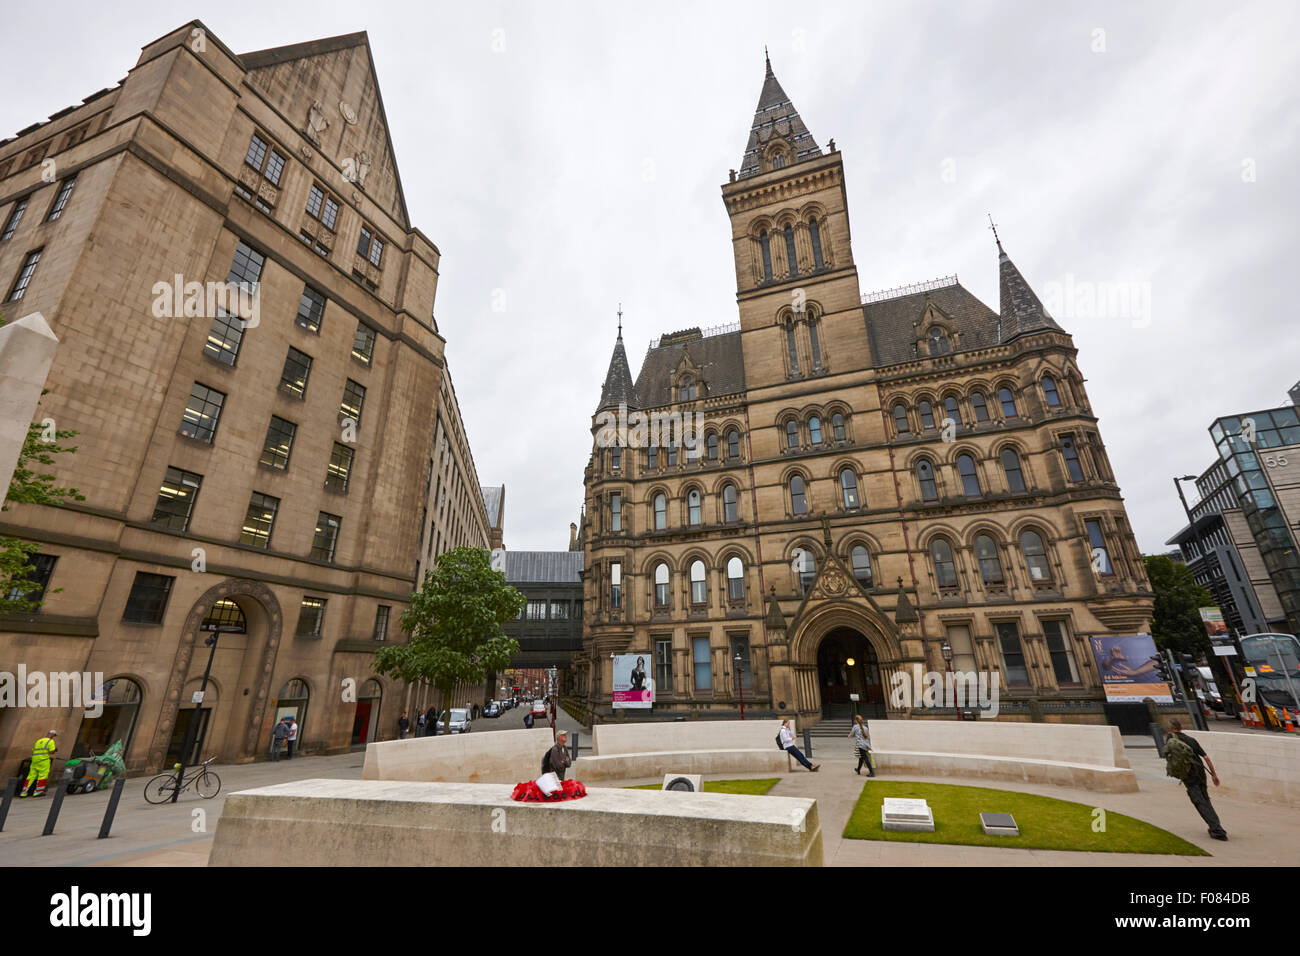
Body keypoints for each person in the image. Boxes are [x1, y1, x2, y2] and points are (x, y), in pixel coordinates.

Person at [1167, 718, 1227, 841]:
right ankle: (1215, 826)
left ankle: (1217, 829)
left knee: (1198, 801)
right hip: (1200, 772)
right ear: (1181, 727)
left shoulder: (1170, 738)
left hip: (1188, 774)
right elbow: (1206, 758)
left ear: (1172, 728)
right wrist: (1214, 775)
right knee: (1204, 798)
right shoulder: (1191, 740)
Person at [18, 730, 58, 797]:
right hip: (44, 760)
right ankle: (38, 792)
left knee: (30, 776)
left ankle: (23, 792)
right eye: (54, 735)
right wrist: (55, 750)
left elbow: (34, 750)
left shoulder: (38, 741)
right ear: (52, 734)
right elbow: (51, 752)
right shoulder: (50, 741)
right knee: (42, 776)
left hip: (34, 761)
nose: (53, 737)